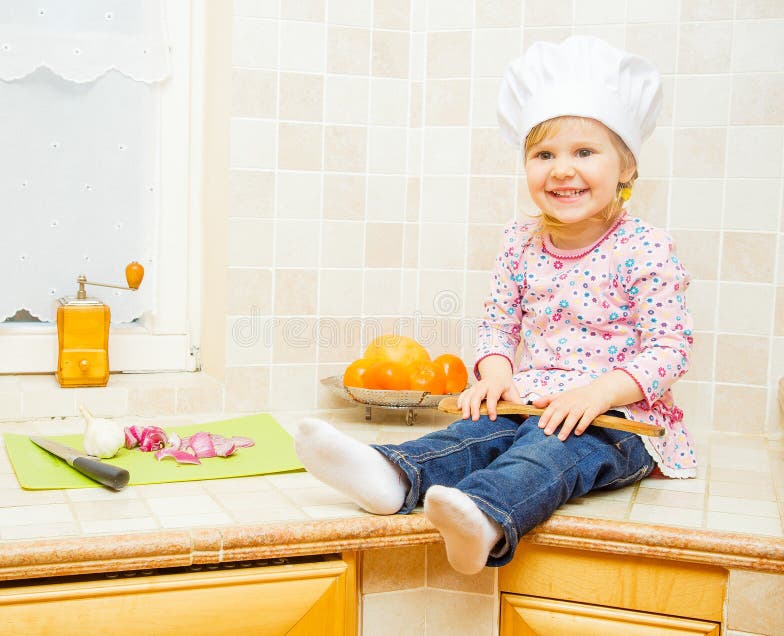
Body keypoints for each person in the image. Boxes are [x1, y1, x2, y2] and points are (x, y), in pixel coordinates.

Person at [294, 36, 696, 575]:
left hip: (620, 421)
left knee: (547, 451)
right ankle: (394, 476)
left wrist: (598, 393)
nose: (561, 169)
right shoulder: (520, 242)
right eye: (544, 155)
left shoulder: (645, 247)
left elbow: (670, 348)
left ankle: (484, 518)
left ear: (626, 166)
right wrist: (496, 373)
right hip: (533, 400)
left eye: (584, 152)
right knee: (476, 432)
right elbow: (499, 323)